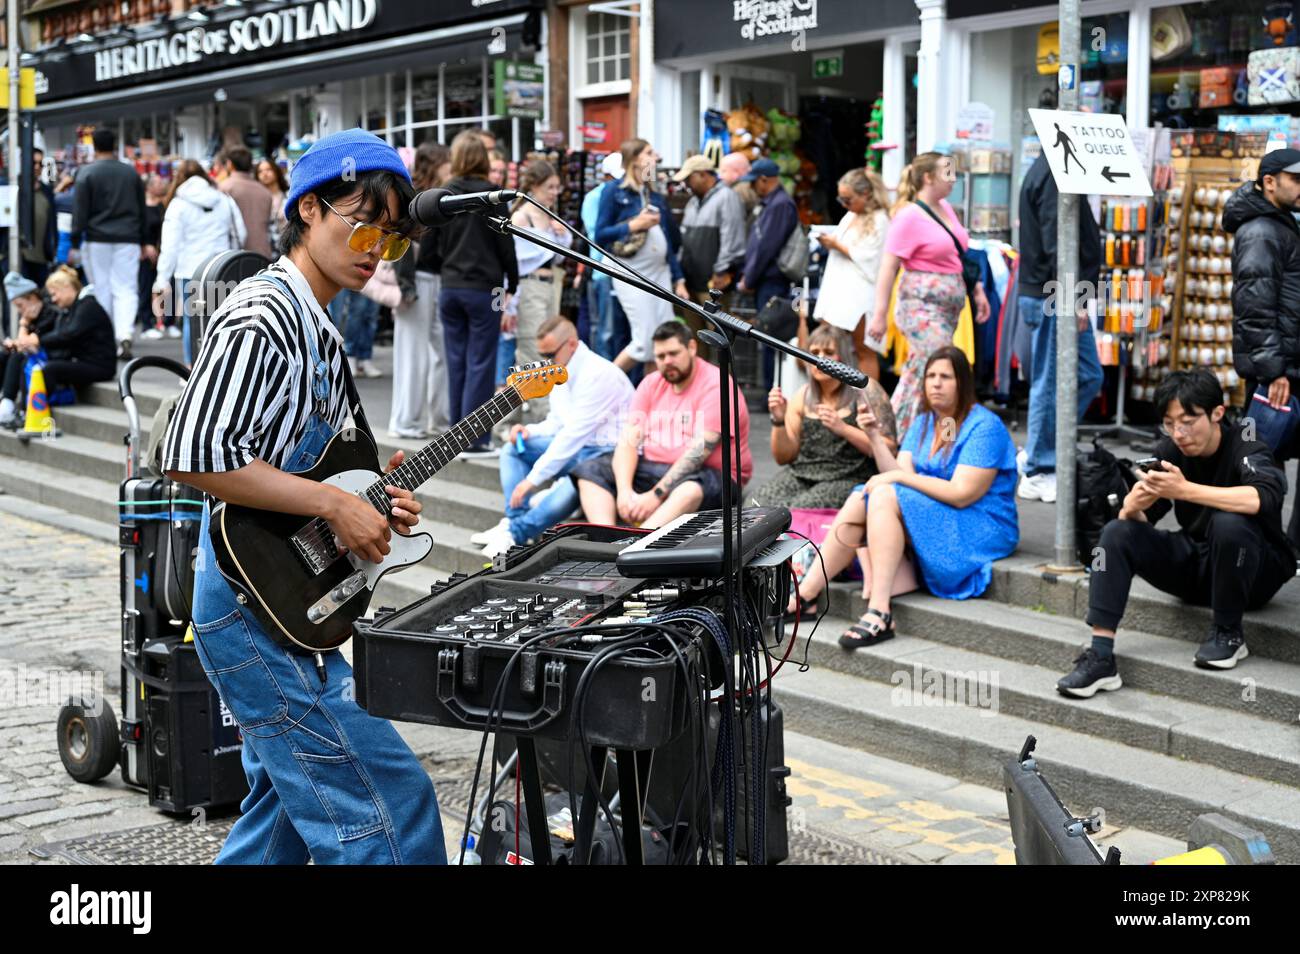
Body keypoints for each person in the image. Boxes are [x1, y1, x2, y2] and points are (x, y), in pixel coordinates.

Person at [161, 127, 446, 865]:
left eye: (389, 242)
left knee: (282, 820)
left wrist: (368, 502)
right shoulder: (265, 316)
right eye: (362, 226)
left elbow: (304, 470)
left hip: (280, 596)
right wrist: (333, 506)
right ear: (310, 210)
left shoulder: (316, 325)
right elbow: (193, 456)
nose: (371, 252)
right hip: (251, 602)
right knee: (389, 811)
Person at [1057, 370, 1297, 697]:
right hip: (1200, 565)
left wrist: (1185, 491)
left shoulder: (1247, 440)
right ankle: (1100, 655)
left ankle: (1228, 633)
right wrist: (1132, 505)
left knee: (1229, 523)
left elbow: (1263, 497)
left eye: (1188, 420)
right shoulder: (1170, 449)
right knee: (1116, 531)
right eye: (1170, 423)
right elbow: (1145, 520)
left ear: (1217, 414)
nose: (1179, 433)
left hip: (1254, 572)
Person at [790, 347, 1018, 647]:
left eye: (946, 377)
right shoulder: (925, 422)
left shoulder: (985, 426)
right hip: (936, 513)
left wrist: (897, 477)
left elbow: (962, 494)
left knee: (882, 494)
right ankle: (806, 595)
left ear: (962, 382)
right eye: (931, 376)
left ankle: (880, 611)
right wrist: (873, 435)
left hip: (980, 523)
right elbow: (897, 474)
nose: (936, 383)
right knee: (865, 495)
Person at [474, 316, 635, 556]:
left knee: (575, 481)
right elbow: (558, 422)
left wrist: (533, 480)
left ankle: (516, 532)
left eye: (549, 355)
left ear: (571, 344)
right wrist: (531, 431)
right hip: (581, 447)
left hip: (607, 452)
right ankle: (514, 522)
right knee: (513, 448)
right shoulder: (561, 368)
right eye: (542, 355)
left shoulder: (599, 374)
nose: (544, 362)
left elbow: (572, 436)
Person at [574, 320, 752, 528]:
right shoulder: (651, 383)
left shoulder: (716, 384)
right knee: (590, 470)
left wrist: (656, 495)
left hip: (712, 475)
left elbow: (698, 452)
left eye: (673, 353)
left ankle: (635, 545)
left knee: (689, 490)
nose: (667, 361)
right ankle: (604, 538)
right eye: (660, 356)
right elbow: (628, 441)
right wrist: (624, 492)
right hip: (655, 469)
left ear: (692, 348)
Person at [869, 152, 991, 436]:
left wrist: (978, 290)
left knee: (920, 371)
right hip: (920, 307)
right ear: (928, 178)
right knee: (937, 369)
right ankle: (920, 433)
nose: (954, 178)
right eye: (948, 172)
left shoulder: (946, 208)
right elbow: (888, 267)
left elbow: (959, 255)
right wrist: (879, 316)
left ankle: (896, 434)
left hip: (948, 308)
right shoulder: (909, 216)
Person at [1015, 151, 1104, 504]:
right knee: (1050, 382)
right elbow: (1058, 241)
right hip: (1054, 295)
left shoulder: (1053, 168)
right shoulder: (1054, 171)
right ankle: (1039, 467)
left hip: (1052, 293)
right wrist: (1074, 299)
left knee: (1087, 375)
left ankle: (1041, 448)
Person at [1224, 147, 1300, 548]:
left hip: (1285, 364)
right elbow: (1253, 306)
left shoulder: (1279, 223)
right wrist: (1273, 371)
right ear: (1269, 183)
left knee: (1269, 456)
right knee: (1263, 458)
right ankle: (1261, 544)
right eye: (1296, 180)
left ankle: (1280, 546)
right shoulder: (1261, 231)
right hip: (1278, 370)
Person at [752, 325, 896, 508]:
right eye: (814, 352)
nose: (820, 358)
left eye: (829, 352)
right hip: (801, 475)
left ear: (844, 357)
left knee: (801, 509)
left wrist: (844, 429)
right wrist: (778, 420)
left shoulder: (866, 391)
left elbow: (890, 449)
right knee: (758, 503)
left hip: (847, 477)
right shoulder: (802, 395)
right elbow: (783, 457)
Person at [438, 129, 519, 455]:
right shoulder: (493, 196)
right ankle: (473, 439)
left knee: (456, 360)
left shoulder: (443, 196)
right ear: (484, 161)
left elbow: (431, 246)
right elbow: (506, 244)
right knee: (481, 362)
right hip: (485, 288)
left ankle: (454, 433)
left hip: (450, 287)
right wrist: (513, 284)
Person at [595, 138, 688, 374]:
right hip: (631, 272)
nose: (655, 157)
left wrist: (679, 279)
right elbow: (600, 235)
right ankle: (603, 386)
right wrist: (634, 225)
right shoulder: (613, 191)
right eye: (649, 153)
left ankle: (652, 399)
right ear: (634, 159)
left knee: (662, 336)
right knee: (644, 338)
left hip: (661, 273)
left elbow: (668, 240)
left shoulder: (654, 195)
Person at [152, 159, 246, 366]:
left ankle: (191, 369)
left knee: (192, 320)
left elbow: (170, 246)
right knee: (221, 319)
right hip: (221, 267)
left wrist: (162, 278)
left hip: (190, 270)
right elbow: (241, 232)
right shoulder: (224, 199)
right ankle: (220, 366)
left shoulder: (178, 204)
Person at [70, 127, 150, 360]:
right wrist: (145, 241)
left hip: (97, 238)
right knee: (126, 287)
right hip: (128, 238)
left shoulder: (86, 173)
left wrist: (75, 241)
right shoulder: (130, 173)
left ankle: (106, 334)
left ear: (94, 146)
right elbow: (141, 210)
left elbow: (80, 211)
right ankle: (124, 333)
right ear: (114, 145)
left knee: (102, 287)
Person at [391, 142, 451, 439]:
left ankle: (437, 419)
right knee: (413, 353)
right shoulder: (416, 199)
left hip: (437, 278)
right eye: (446, 162)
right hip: (418, 280)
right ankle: (407, 421)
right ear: (436, 164)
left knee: (439, 353)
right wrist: (405, 286)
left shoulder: (438, 199)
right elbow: (401, 243)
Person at [509, 158, 573, 422]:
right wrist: (505, 305)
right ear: (534, 186)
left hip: (551, 285)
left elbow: (558, 257)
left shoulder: (549, 215)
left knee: (550, 349)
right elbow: (515, 261)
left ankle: (542, 414)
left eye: (557, 187)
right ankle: (538, 417)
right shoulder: (521, 216)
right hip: (530, 286)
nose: (555, 193)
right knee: (532, 350)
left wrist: (561, 236)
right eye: (550, 187)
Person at [812, 168, 892, 381]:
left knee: (863, 348)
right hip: (840, 290)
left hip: (860, 294)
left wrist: (837, 245)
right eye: (841, 199)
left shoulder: (880, 219)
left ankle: (868, 400)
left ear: (866, 194)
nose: (844, 204)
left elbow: (874, 258)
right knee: (832, 344)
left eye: (848, 199)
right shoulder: (851, 215)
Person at [737, 157, 799, 388]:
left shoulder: (780, 204)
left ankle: (771, 394)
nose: (752, 187)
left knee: (770, 338)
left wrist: (748, 278)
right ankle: (771, 392)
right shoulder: (774, 203)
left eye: (754, 182)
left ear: (764, 180)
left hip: (772, 281)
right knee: (768, 337)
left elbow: (766, 248)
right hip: (768, 280)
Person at [10, 266, 116, 399]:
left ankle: (33, 411)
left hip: (100, 366)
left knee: (49, 369)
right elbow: (62, 334)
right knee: (27, 360)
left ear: (67, 287)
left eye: (54, 294)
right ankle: (22, 408)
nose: (53, 299)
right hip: (83, 361)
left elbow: (68, 334)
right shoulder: (74, 307)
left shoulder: (88, 306)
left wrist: (38, 340)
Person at [675, 154, 747, 302]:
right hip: (691, 284)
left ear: (703, 175)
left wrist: (721, 271)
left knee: (715, 325)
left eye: (689, 178)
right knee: (693, 325)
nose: (686, 183)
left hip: (713, 285)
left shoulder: (726, 197)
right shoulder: (693, 202)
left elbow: (732, 240)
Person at [581, 152, 631, 363]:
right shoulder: (594, 198)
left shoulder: (627, 195)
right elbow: (597, 236)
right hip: (604, 271)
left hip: (624, 270)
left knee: (622, 330)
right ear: (606, 176)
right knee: (605, 329)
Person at [0, 271, 60, 428]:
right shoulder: (34, 315)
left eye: (20, 305)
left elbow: (27, 343)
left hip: (52, 357)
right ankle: (4, 399)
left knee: (17, 356)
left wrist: (23, 324)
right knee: (5, 354)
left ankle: (8, 404)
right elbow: (23, 343)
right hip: (38, 355)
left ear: (32, 298)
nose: (20, 311)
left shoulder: (50, 312)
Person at [218, 146, 274, 259]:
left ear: (229, 164)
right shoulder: (265, 192)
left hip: (232, 257)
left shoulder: (223, 188)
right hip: (262, 254)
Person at [138, 174, 173, 339]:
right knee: (145, 288)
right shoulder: (140, 206)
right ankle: (146, 324)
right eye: (158, 183)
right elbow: (137, 227)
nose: (162, 185)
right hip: (146, 253)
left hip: (164, 252)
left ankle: (168, 322)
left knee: (167, 287)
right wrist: (143, 246)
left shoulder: (164, 205)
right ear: (149, 187)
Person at [20, 148, 57, 288]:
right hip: (20, 257)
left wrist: (52, 249)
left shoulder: (46, 191)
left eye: (40, 164)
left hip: (42, 257)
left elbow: (52, 222)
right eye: (33, 163)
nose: (36, 167)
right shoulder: (15, 188)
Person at [256, 156, 291, 253]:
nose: (264, 174)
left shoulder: (288, 195)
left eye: (268, 169)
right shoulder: (257, 199)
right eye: (260, 171)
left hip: (288, 247)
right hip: (266, 250)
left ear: (276, 171)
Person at [719, 151, 758, 218]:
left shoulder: (739, 191)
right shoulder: (751, 185)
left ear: (736, 172)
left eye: (724, 171)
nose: (720, 176)